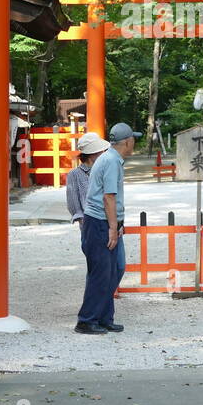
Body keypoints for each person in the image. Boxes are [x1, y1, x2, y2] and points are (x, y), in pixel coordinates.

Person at [75, 122, 137, 334]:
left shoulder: (111, 158)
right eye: (133, 140)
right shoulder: (111, 161)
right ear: (128, 141)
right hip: (100, 222)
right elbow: (108, 197)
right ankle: (86, 320)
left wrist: (117, 224)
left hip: (105, 221)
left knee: (113, 270)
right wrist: (113, 227)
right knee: (102, 272)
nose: (133, 143)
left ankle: (103, 316)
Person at [66, 132, 108, 226]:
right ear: (92, 154)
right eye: (100, 150)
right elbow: (73, 203)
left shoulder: (105, 170)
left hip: (109, 219)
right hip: (90, 222)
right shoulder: (74, 174)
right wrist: (83, 222)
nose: (103, 152)